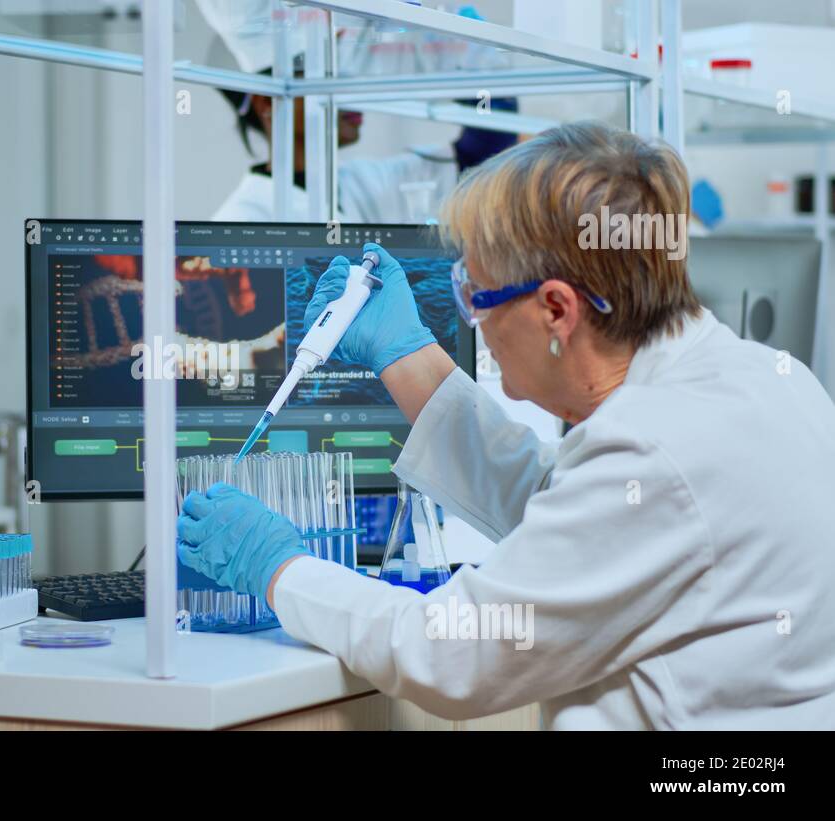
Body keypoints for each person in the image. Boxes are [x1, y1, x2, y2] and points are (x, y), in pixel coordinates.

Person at [178, 122, 835, 729]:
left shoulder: (655, 450)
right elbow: (573, 511)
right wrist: (407, 357)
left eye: (476, 295)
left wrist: (280, 567)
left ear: (556, 309)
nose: (473, 321)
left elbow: (451, 653)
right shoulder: (762, 380)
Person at [212, 80, 518, 224]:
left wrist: (443, 47)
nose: (352, 95)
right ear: (266, 102)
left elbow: (486, 149)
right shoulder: (242, 217)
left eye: (352, 77)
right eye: (330, 78)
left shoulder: (362, 179)